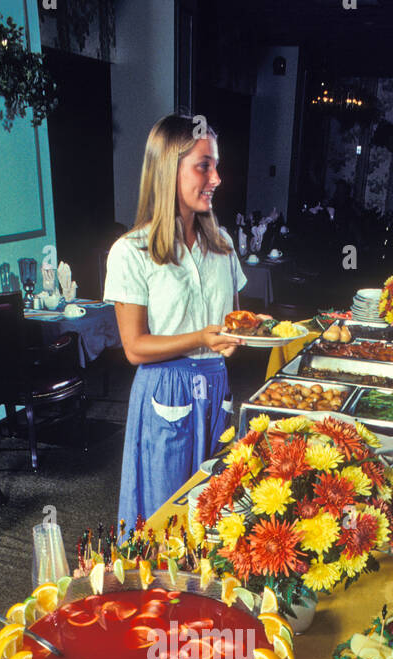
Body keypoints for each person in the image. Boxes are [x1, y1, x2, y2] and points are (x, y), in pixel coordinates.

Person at [104, 115, 247, 525]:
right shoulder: (131, 252)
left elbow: (232, 324)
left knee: (218, 508)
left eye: (216, 165)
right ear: (169, 169)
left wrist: (244, 332)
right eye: (204, 165)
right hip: (164, 390)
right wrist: (201, 336)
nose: (216, 177)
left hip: (217, 384)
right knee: (164, 518)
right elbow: (134, 348)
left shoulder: (222, 247)